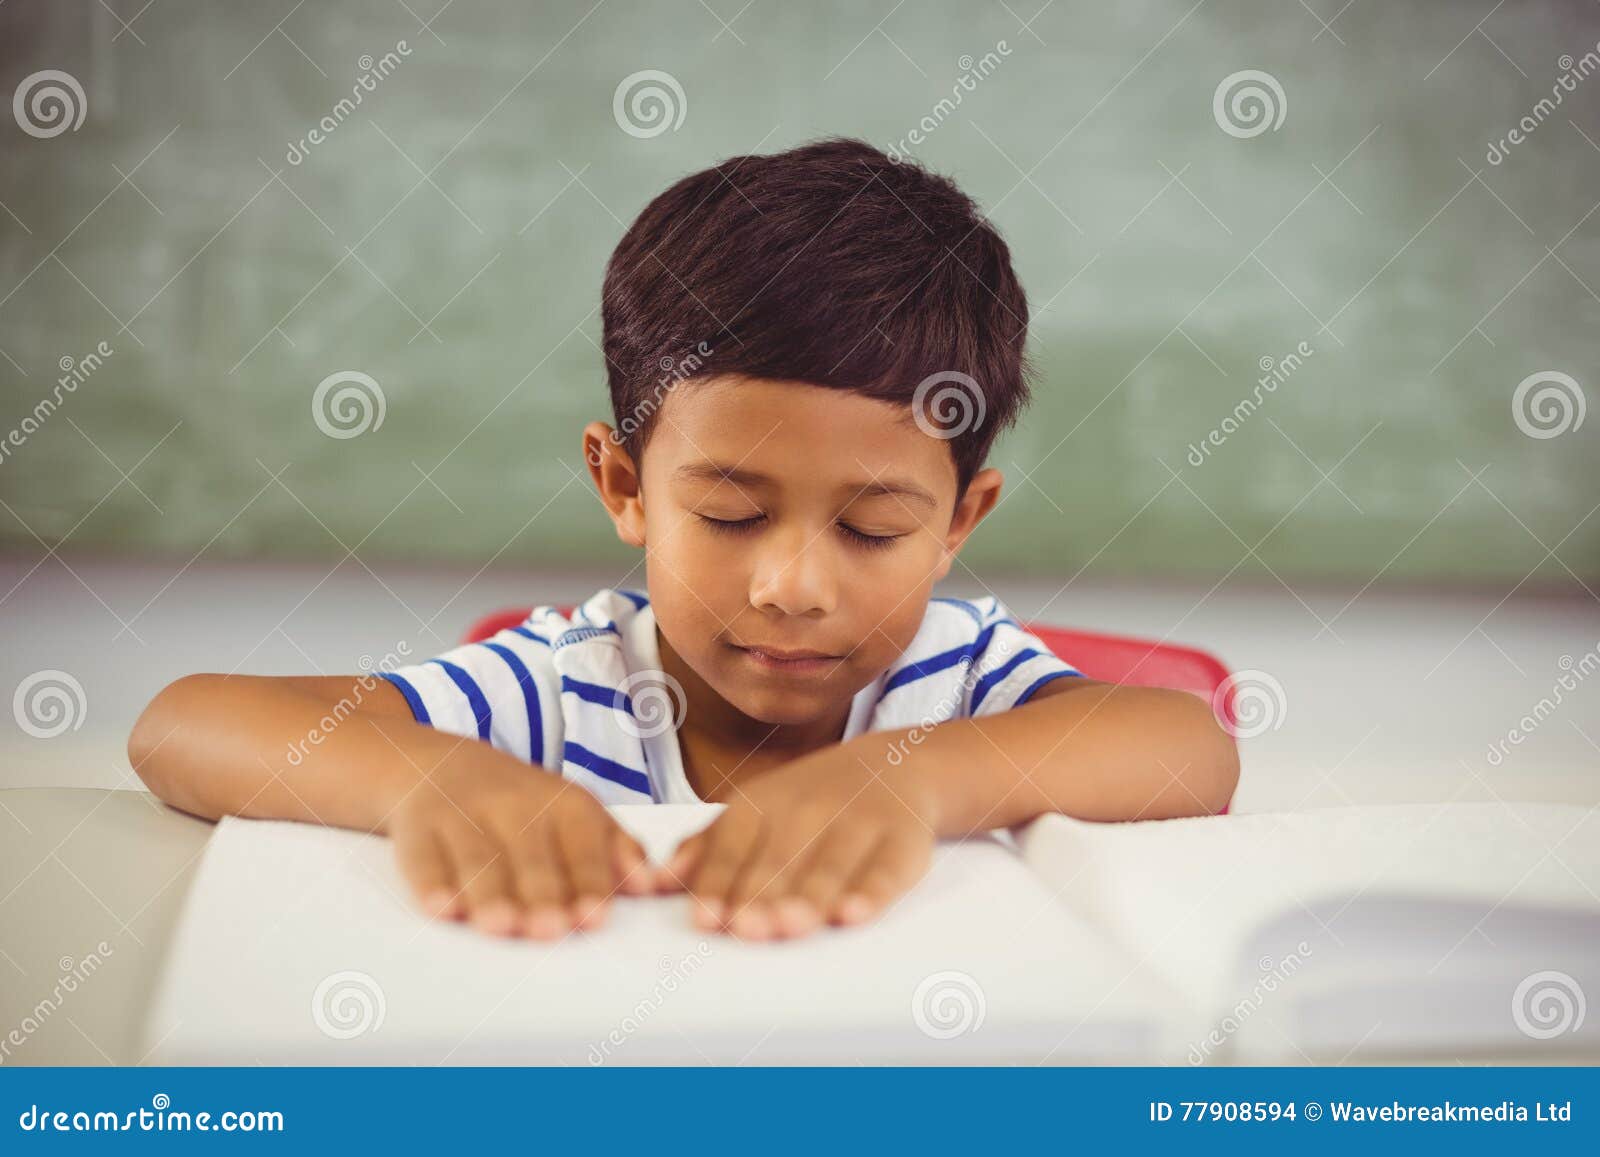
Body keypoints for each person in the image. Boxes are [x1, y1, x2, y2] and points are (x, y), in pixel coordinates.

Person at [129, 138, 1237, 944]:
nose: (794, 585)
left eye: (872, 526)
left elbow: (1190, 745)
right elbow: (184, 723)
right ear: (625, 486)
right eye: (732, 515)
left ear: (957, 521)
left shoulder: (959, 680)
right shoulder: (565, 686)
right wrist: (432, 779)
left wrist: (911, 782)